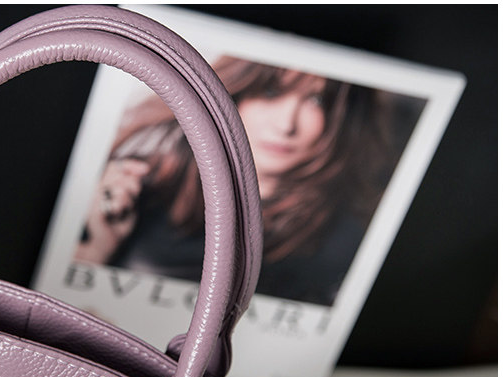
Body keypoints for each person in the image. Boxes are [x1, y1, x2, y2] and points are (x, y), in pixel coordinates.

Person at [74, 56, 399, 306]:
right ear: (235, 95)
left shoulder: (348, 239)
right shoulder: (141, 188)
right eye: (271, 92)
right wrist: (96, 249)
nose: (286, 124)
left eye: (317, 101)